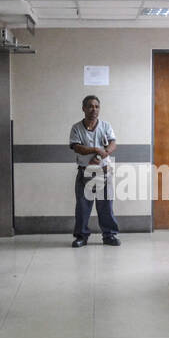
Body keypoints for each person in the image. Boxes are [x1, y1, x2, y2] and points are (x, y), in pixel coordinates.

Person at [69, 95, 119, 247]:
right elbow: (77, 147)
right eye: (90, 106)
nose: (94, 109)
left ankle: (109, 235)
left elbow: (112, 144)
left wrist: (101, 154)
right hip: (85, 172)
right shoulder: (76, 128)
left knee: (106, 206)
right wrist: (96, 149)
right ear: (83, 108)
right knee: (83, 207)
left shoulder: (105, 126)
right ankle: (81, 236)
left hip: (104, 171)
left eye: (97, 106)